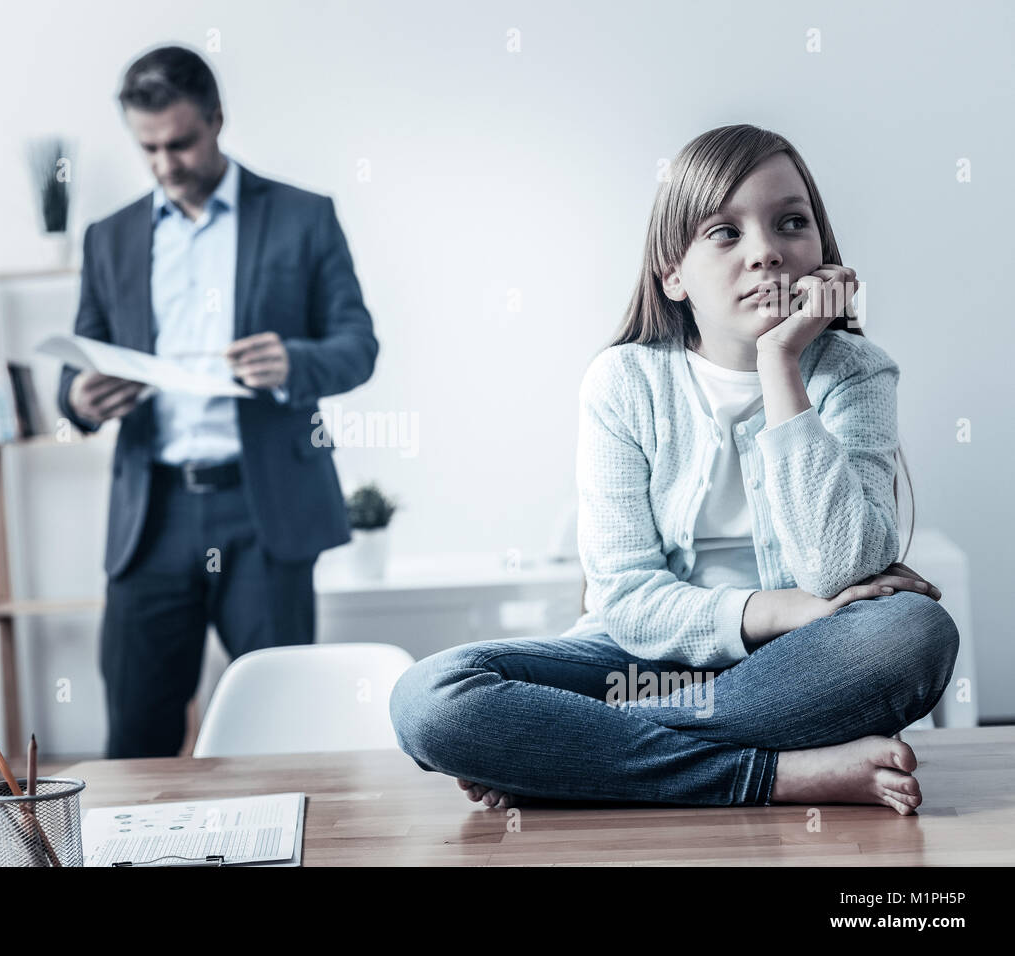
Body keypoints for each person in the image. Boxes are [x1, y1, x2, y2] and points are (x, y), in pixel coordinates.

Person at [389, 124, 958, 815]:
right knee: (432, 699)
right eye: (725, 232)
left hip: (795, 674)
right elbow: (626, 599)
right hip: (638, 668)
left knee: (915, 633)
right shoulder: (623, 381)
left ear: (824, 255)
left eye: (791, 224)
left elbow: (843, 568)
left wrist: (781, 363)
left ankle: (573, 757)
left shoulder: (856, 373)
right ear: (673, 273)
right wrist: (789, 611)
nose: (767, 253)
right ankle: (779, 776)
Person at [57, 44, 378, 758]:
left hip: (264, 511)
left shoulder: (303, 217)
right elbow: (78, 367)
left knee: (282, 730)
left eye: (181, 142)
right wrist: (81, 397)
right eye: (149, 149)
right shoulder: (108, 239)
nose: (166, 164)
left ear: (217, 119)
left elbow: (359, 347)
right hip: (153, 514)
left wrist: (293, 361)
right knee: (136, 735)